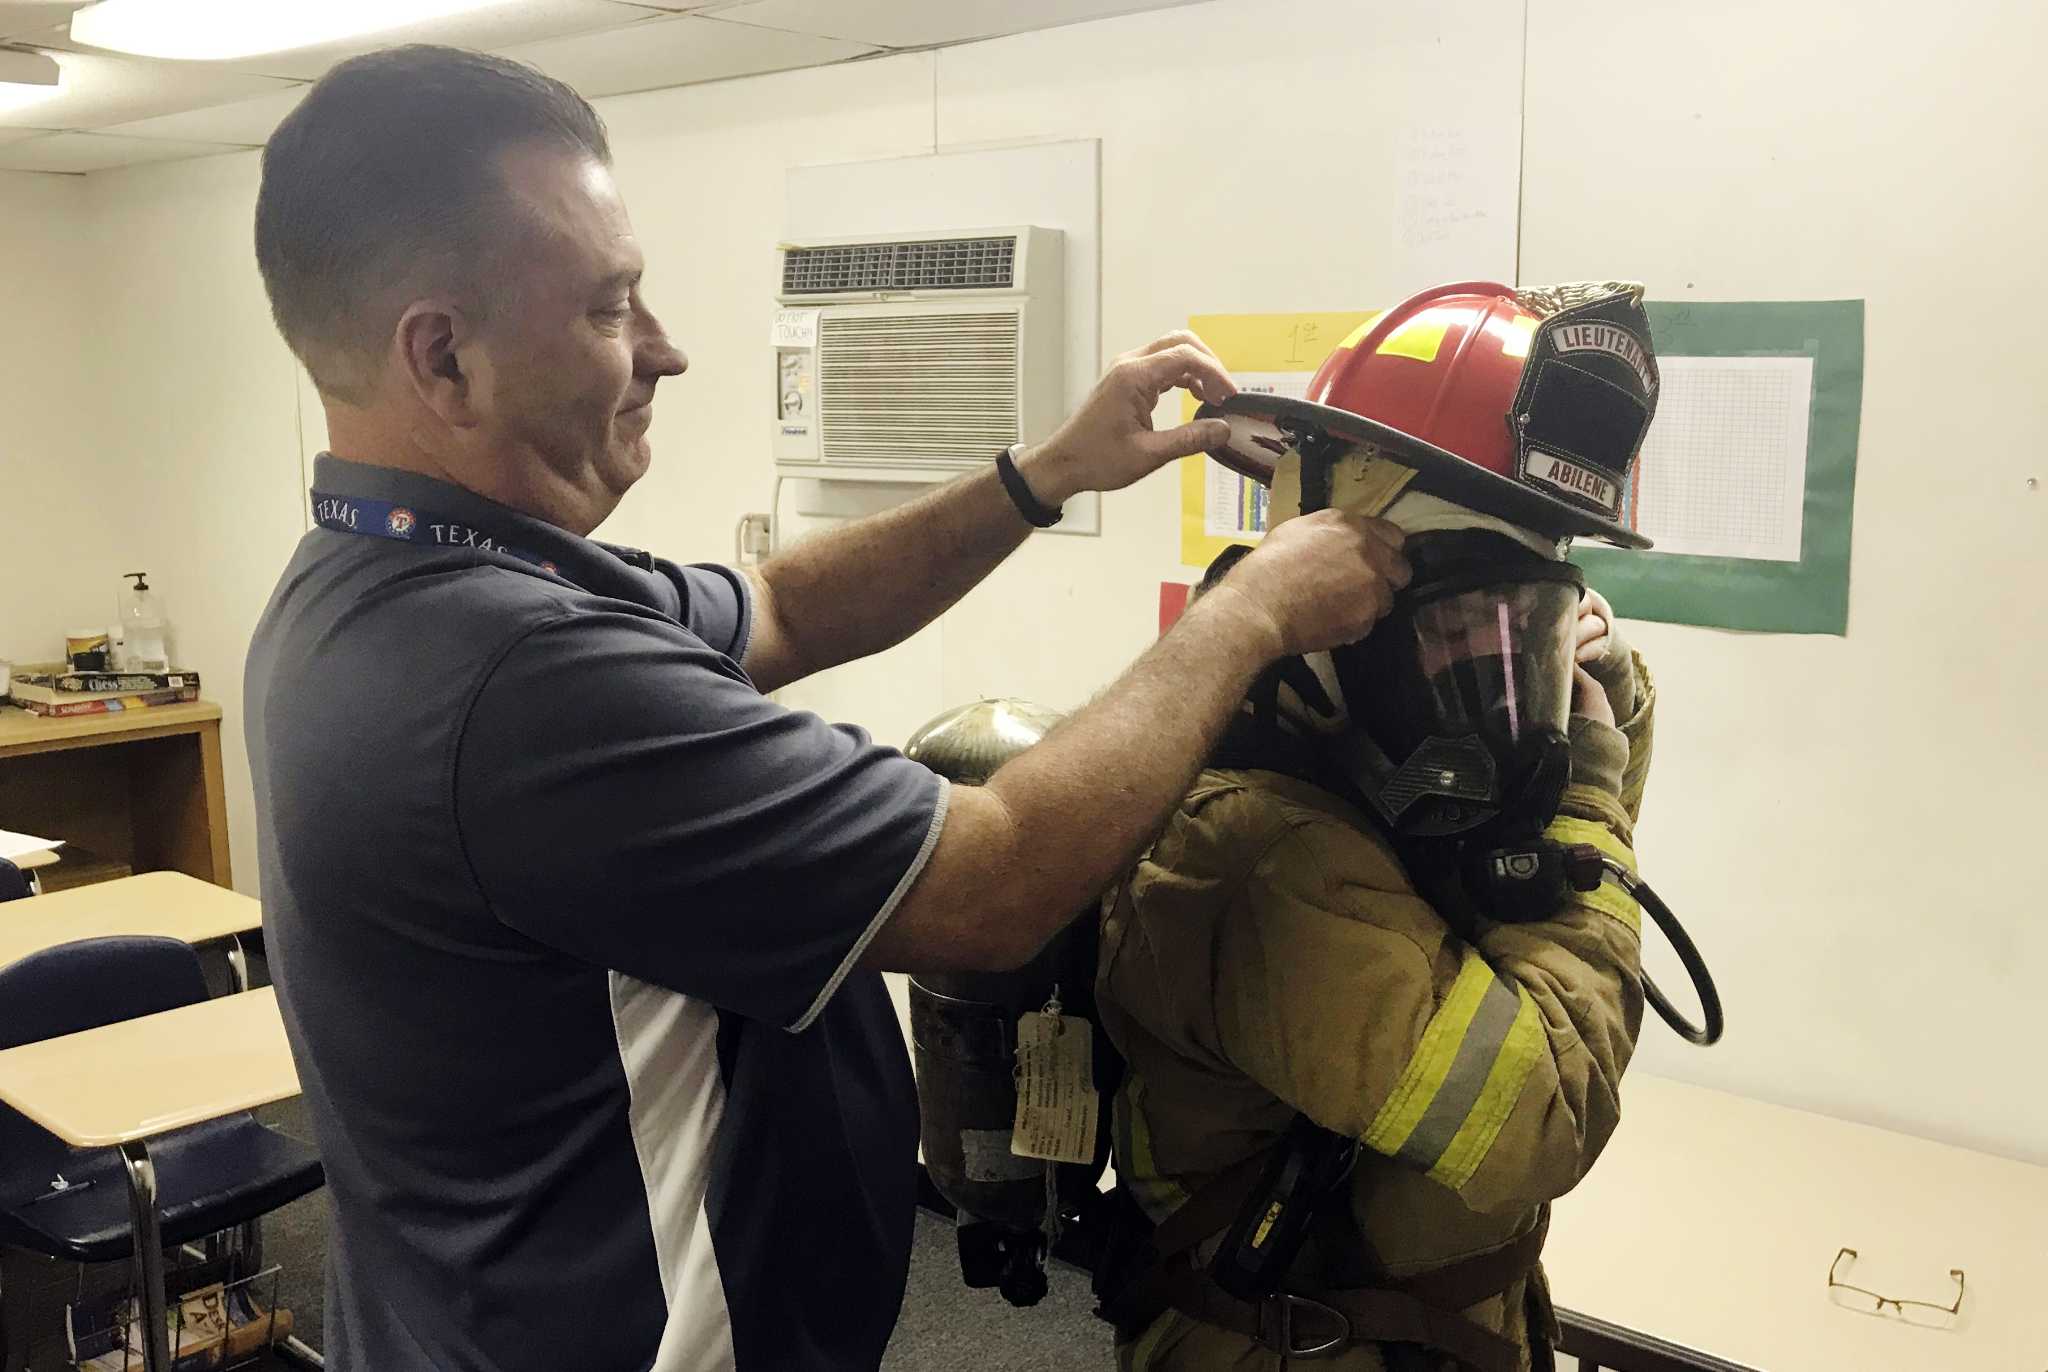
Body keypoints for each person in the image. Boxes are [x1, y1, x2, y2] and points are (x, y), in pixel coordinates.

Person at [241, 44, 1410, 1372]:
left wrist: (1051, 473)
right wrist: (1247, 617)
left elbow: (784, 605)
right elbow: (993, 877)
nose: (665, 351)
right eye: (612, 307)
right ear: (443, 360)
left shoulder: (397, 581)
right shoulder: (514, 681)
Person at [1094, 282, 1662, 1372]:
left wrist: (1602, 698)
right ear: (1331, 623)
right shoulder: (1262, 850)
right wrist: (1587, 787)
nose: (1500, 706)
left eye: (1523, 641)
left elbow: (1550, 902)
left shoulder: (1381, 776)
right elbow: (1534, 1119)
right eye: (1456, 633)